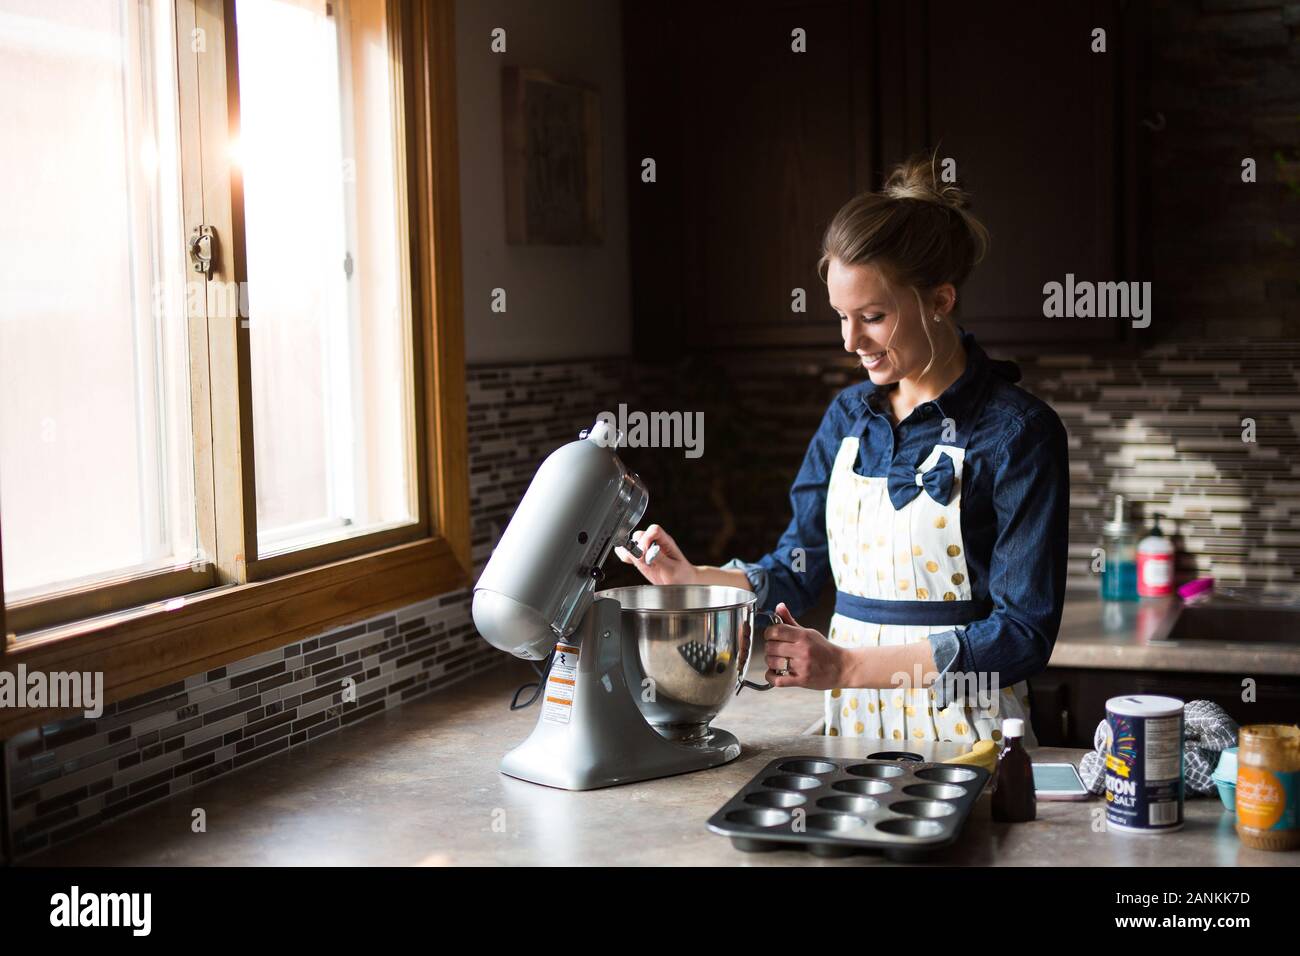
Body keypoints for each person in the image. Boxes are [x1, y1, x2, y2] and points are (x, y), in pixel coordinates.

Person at [615, 153, 1070, 745]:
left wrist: (846, 666)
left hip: (970, 736)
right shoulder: (848, 417)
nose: (850, 341)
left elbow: (1022, 635)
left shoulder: (1019, 433)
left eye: (873, 317)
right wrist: (694, 578)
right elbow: (797, 570)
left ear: (941, 300)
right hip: (852, 728)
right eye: (840, 317)